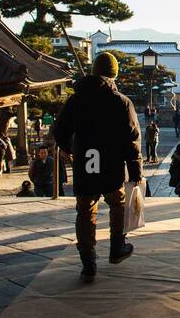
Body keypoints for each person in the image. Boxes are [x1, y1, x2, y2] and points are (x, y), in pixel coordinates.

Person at [49, 53, 141, 283]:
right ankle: (116, 246)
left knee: (85, 211)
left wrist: (71, 149)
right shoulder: (121, 102)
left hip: (85, 162)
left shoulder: (76, 99)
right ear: (114, 73)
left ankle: (88, 263)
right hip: (111, 164)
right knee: (117, 203)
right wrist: (136, 172)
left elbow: (59, 130)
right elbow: (132, 141)